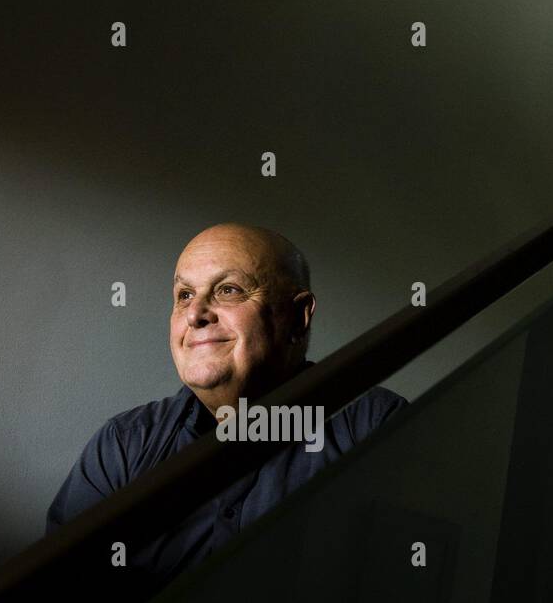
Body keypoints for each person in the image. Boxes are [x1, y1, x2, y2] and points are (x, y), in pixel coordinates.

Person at [44, 221, 408, 579]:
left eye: (229, 290)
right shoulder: (124, 442)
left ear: (298, 318)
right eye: (184, 295)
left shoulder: (375, 428)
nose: (195, 314)